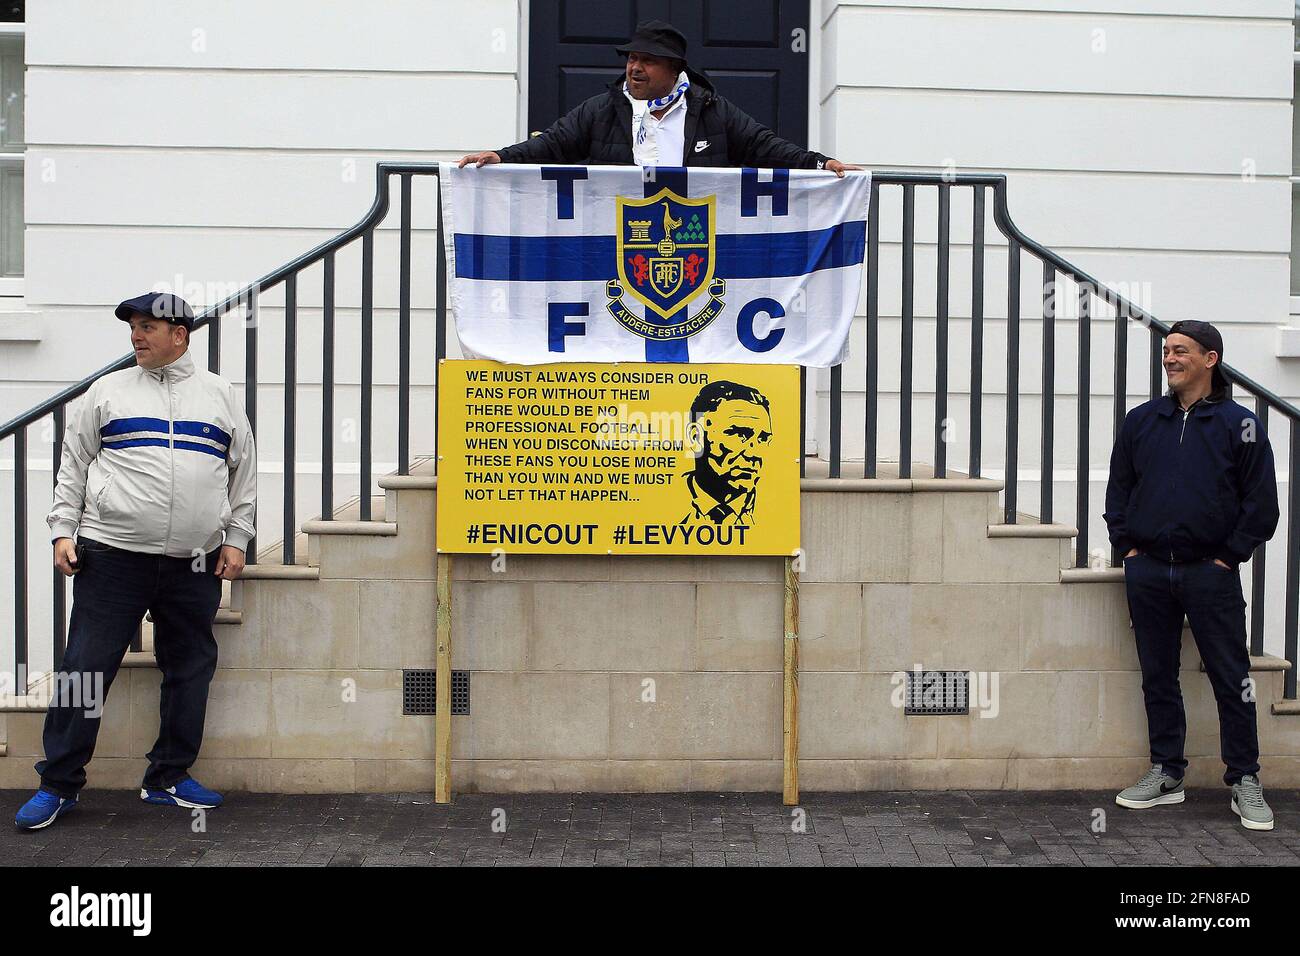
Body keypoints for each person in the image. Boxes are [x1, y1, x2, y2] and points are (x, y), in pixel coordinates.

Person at [14, 292, 257, 831]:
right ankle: (58, 785)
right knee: (84, 669)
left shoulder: (219, 395)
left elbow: (243, 472)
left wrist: (237, 538)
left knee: (190, 667)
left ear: (180, 334)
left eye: (148, 327)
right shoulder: (109, 391)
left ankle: (168, 777)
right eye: (133, 327)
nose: (136, 336)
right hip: (113, 557)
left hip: (195, 560)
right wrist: (61, 531)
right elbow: (73, 464)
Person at [1104, 320, 1280, 830]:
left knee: (1232, 678)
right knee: (1158, 674)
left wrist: (1230, 556)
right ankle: (1166, 773)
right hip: (1150, 571)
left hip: (1211, 573)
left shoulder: (1241, 424)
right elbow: (1119, 489)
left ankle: (1245, 778)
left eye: (1180, 350)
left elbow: (1261, 504)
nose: (1169, 358)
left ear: (1210, 359)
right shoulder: (1142, 420)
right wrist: (1128, 549)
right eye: (1166, 351)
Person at [458, 19, 860, 175]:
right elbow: (554, 143)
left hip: (692, 246)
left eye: (647, 61)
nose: (634, 68)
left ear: (674, 70)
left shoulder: (712, 110)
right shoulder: (601, 109)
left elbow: (763, 145)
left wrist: (820, 163)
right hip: (617, 244)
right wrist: (502, 156)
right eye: (632, 58)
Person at [681, 380, 772, 527]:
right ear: (695, 437)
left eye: (763, 439)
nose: (754, 453)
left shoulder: (776, 515)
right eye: (739, 434)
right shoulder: (661, 505)